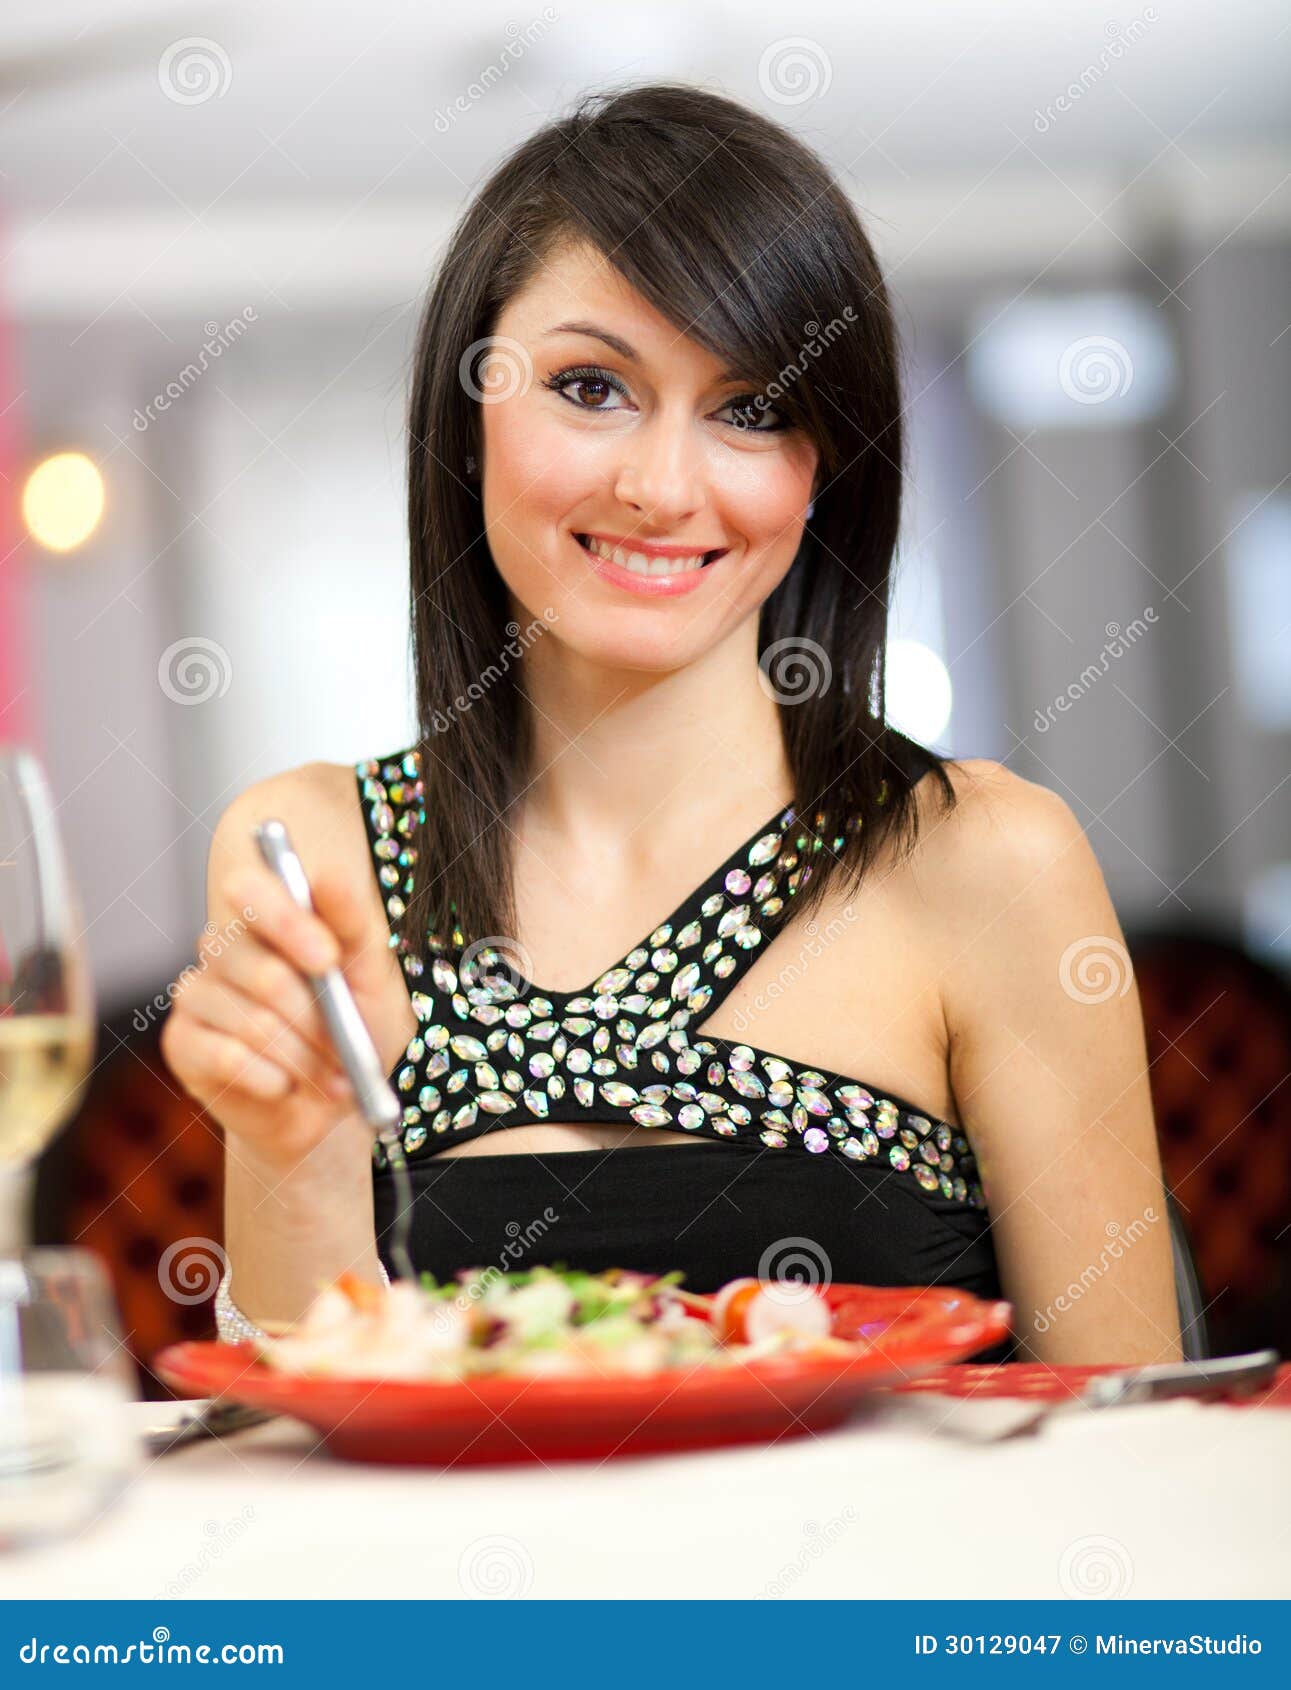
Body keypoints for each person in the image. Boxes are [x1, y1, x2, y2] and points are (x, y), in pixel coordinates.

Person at [161, 82, 1182, 1366]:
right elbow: (305, 1422)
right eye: (591, 386)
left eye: (750, 409)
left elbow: (1125, 1426)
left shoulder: (986, 857)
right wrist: (296, 1155)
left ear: (825, 467)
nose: (660, 486)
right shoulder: (311, 852)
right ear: (468, 418)